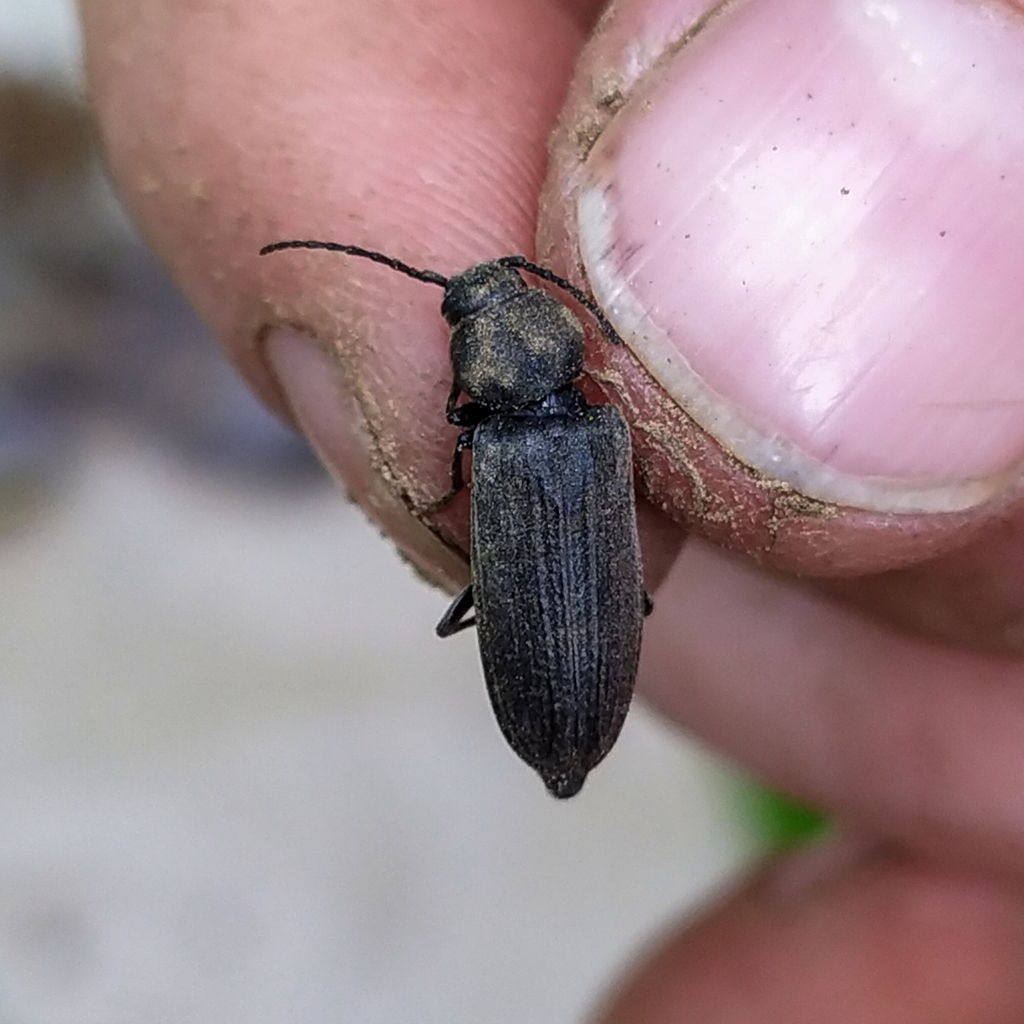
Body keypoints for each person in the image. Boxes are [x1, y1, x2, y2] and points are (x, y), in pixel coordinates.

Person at [80, 0, 1024, 1018]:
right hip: (581, 673)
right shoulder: (594, 428)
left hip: (566, 681)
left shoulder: (482, 435)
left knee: (466, 574)